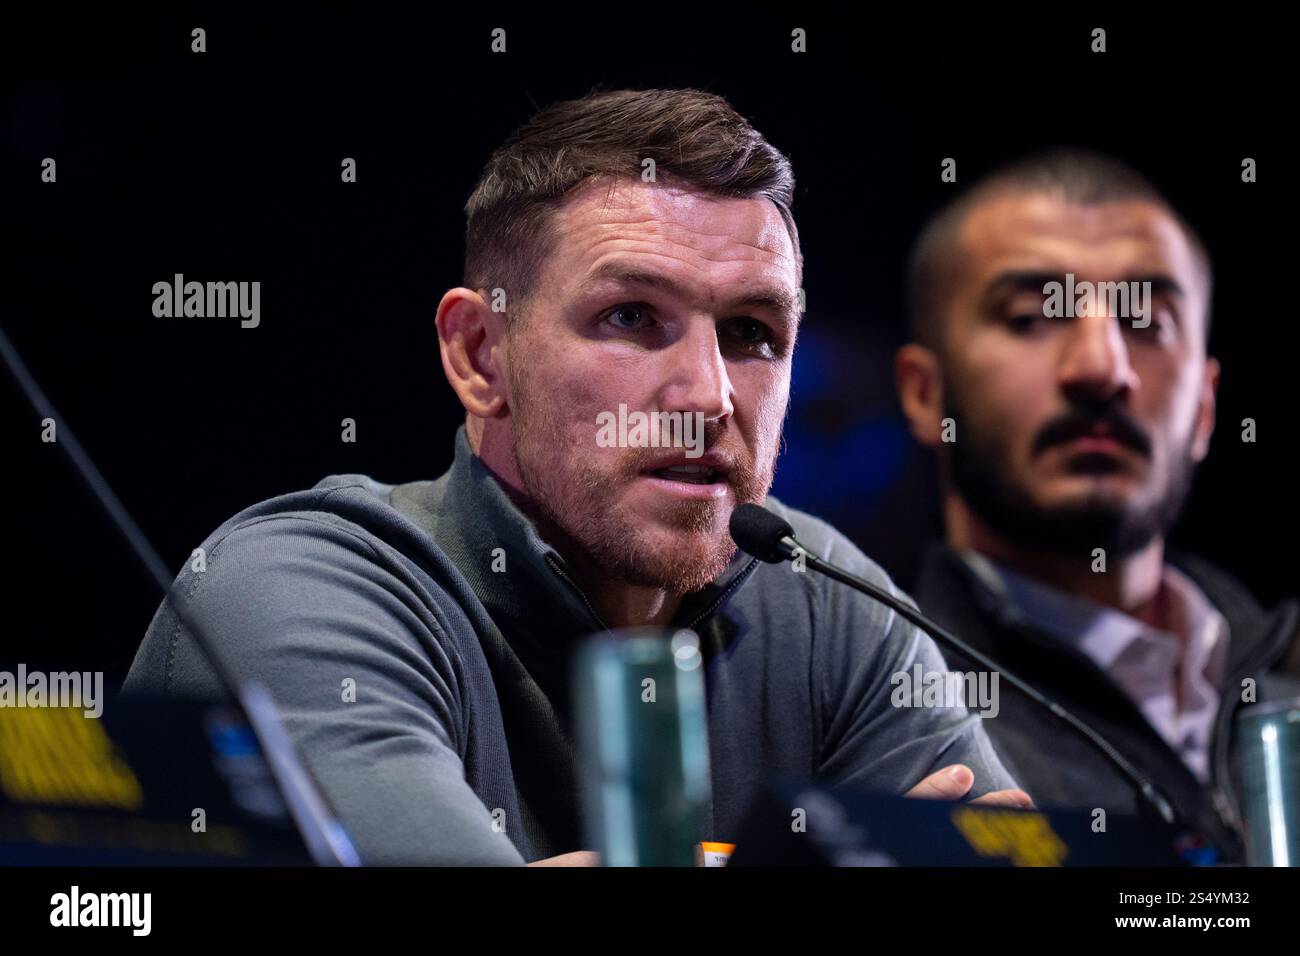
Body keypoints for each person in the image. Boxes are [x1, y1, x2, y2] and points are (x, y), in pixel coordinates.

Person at [125, 88, 1026, 866]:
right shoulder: (294, 591)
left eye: (753, 332)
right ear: (481, 354)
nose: (709, 394)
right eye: (631, 316)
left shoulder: (823, 596)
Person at [894, 148, 1300, 861]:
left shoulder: (1285, 670)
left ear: (1205, 407)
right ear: (926, 394)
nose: (1100, 367)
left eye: (1146, 321)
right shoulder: (876, 716)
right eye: (1030, 316)